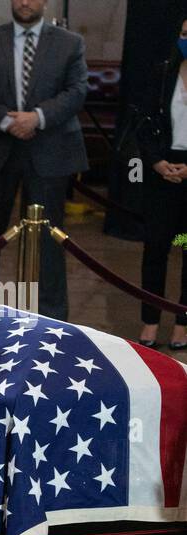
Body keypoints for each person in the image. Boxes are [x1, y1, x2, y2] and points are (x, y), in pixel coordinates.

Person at [0, 0, 88, 324]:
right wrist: (7, 121)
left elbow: (77, 91)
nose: (24, 2)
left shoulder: (70, 42)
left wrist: (37, 118)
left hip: (49, 151)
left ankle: (50, 321)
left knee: (49, 241)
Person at [134, 22, 187, 348]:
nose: (186, 40)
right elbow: (141, 122)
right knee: (156, 249)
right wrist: (155, 161)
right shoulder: (162, 73)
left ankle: (182, 322)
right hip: (161, 174)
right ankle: (150, 321)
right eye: (183, 34)